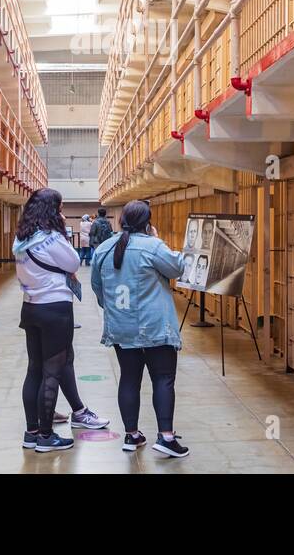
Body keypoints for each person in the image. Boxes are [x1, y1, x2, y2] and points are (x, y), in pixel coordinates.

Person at [90, 199, 189, 458]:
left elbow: (98, 289)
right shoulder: (152, 246)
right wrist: (158, 239)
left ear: (122, 221)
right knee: (163, 379)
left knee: (129, 379)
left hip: (122, 328)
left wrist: (114, 309)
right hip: (156, 327)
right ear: (148, 223)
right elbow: (177, 267)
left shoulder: (104, 248)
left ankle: (132, 435)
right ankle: (166, 438)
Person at [13, 188, 110, 452]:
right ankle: (46, 437)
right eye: (59, 207)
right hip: (54, 308)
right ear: (52, 209)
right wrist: (62, 231)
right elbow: (73, 262)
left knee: (34, 369)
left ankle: (32, 432)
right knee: (51, 371)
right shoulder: (51, 238)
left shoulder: (21, 237)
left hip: (30, 307)